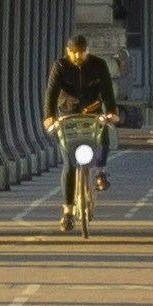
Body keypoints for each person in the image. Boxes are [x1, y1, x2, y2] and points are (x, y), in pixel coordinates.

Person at [43, 34, 122, 230]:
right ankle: (68, 212)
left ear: (88, 51)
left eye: (82, 52)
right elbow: (51, 92)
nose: (78, 56)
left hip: (92, 111)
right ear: (67, 52)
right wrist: (49, 115)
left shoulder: (98, 65)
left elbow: (107, 90)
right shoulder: (60, 67)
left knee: (103, 132)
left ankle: (100, 170)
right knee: (69, 162)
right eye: (74, 53)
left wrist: (111, 111)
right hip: (68, 113)